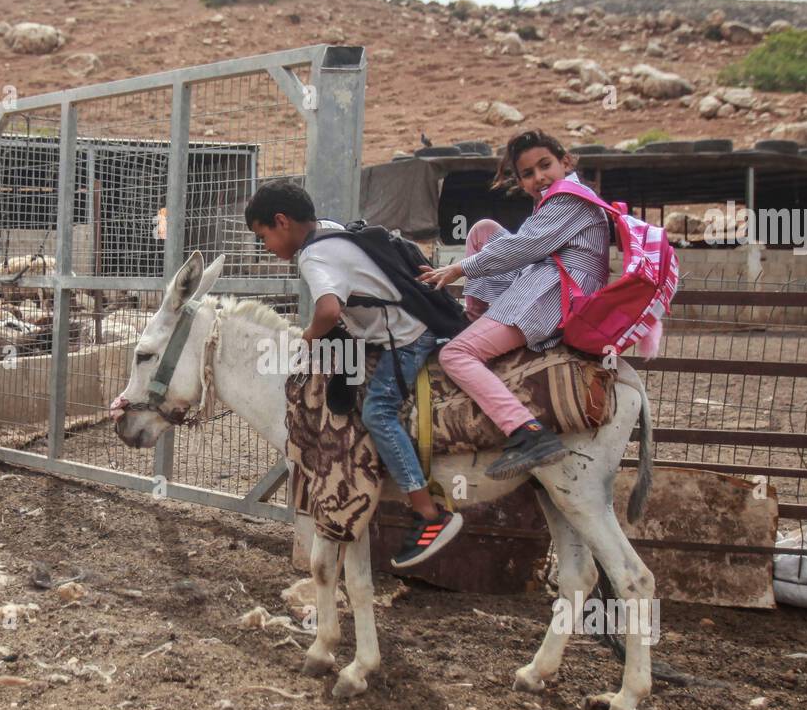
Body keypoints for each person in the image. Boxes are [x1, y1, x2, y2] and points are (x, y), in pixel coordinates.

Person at [245, 179, 463, 568]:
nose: (266, 248)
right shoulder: (330, 230)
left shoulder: (312, 256)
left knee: (378, 412)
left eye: (264, 237)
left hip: (407, 337)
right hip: (399, 325)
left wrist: (307, 339)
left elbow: (328, 312)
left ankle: (430, 513)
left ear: (281, 221)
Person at [419, 130, 611, 480]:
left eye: (545, 166)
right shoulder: (561, 197)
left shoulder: (570, 199)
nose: (538, 177)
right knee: (483, 230)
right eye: (527, 173)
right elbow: (520, 246)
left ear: (565, 162)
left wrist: (460, 268)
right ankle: (473, 321)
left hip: (551, 294)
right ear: (520, 181)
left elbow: (525, 247)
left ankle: (528, 433)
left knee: (454, 356)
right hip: (545, 278)